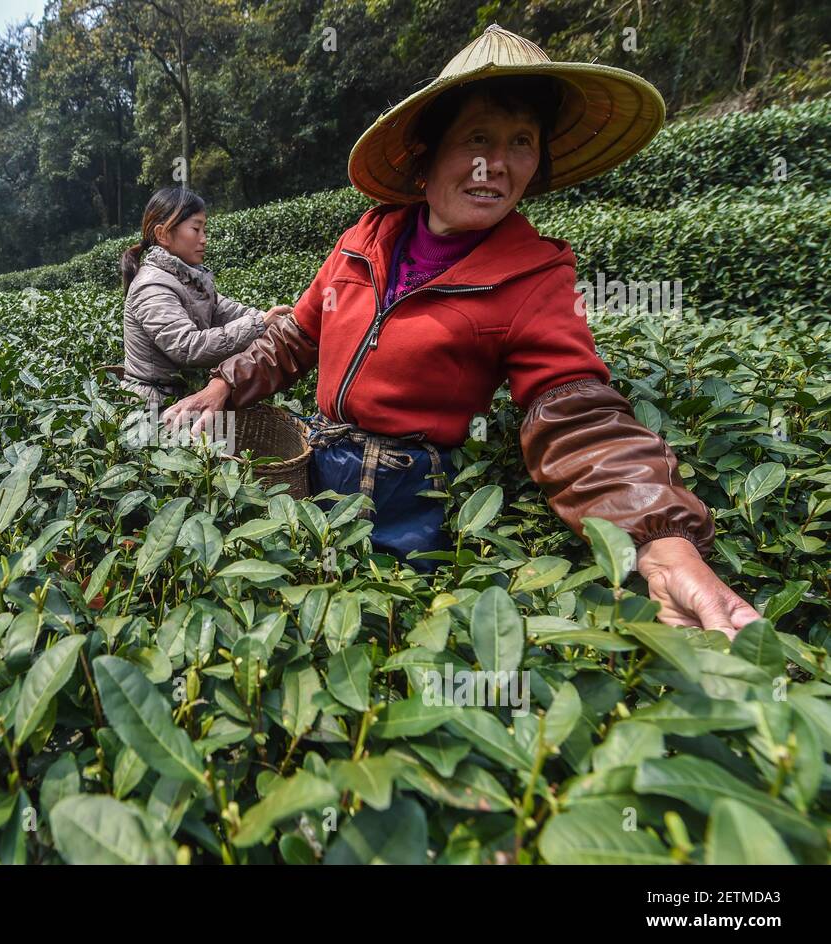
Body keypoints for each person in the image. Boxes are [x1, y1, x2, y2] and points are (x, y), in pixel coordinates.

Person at [164, 24, 761, 637]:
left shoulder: (533, 275)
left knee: (387, 639)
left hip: (411, 499)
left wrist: (660, 540)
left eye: (522, 141)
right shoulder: (362, 240)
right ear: (429, 151)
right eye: (478, 138)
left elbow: (574, 408)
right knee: (306, 620)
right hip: (319, 466)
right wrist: (220, 386)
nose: (496, 164)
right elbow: (296, 334)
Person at [120, 186, 295, 406]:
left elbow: (228, 312)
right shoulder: (151, 286)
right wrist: (259, 324)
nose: (204, 239)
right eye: (196, 229)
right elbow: (187, 347)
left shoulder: (189, 278)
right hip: (152, 406)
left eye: (205, 230)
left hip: (182, 398)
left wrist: (283, 321)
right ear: (162, 234)